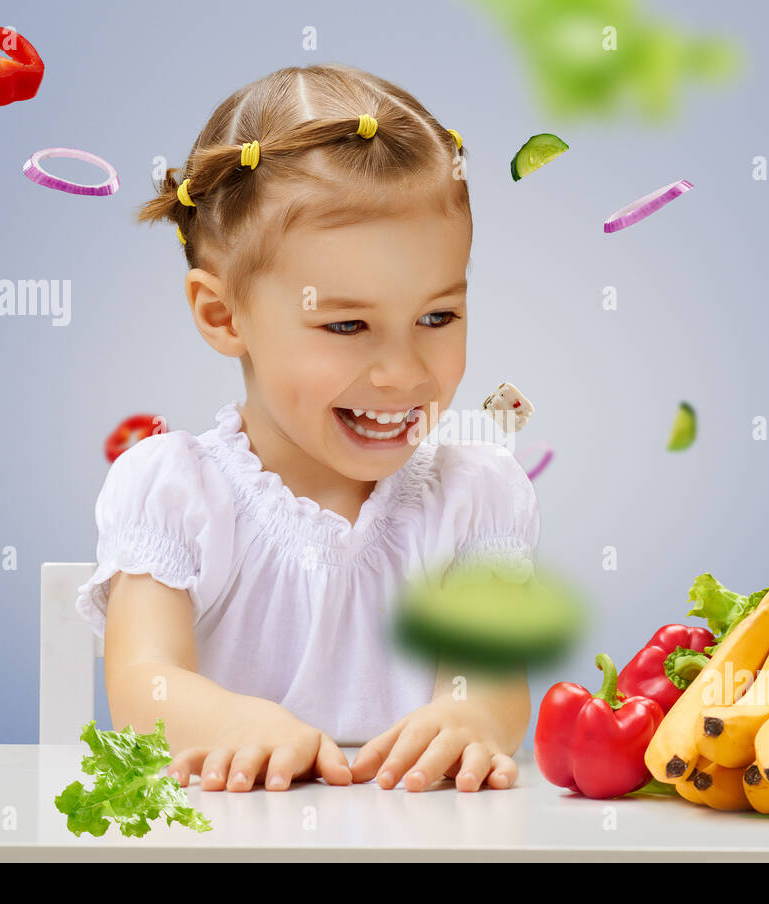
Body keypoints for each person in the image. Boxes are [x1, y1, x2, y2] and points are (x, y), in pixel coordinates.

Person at [75, 64, 540, 794]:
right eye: (347, 324)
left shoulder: (473, 494)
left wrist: (474, 716)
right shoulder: (175, 490)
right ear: (223, 315)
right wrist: (232, 722)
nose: (402, 371)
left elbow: (495, 682)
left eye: (437, 316)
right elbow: (144, 681)